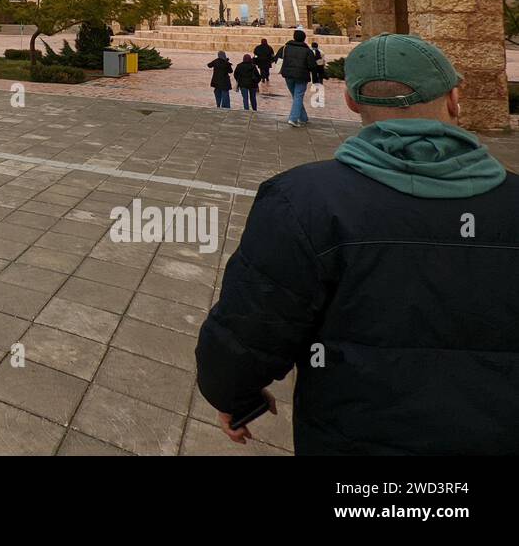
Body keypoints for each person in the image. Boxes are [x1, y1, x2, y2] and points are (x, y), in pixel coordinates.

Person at [196, 33, 519, 455]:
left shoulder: (302, 200)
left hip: (353, 436)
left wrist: (234, 398)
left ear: (350, 102)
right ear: (455, 98)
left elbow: (249, 328)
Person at [278, 28, 319, 126]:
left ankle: (303, 118)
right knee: (298, 96)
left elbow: (277, 58)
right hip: (301, 76)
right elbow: (312, 66)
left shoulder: (286, 48)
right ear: (304, 39)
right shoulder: (307, 51)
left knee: (296, 97)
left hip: (288, 75)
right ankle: (293, 119)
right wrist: (315, 80)